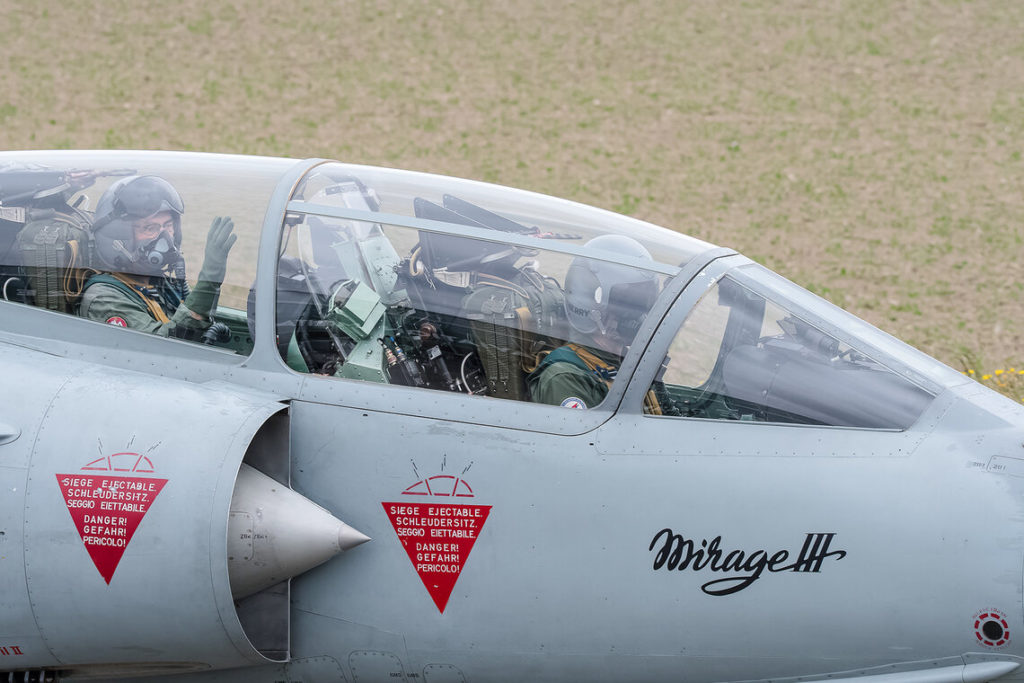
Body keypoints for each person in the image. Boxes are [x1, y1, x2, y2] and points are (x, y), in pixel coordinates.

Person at [78, 175, 236, 340]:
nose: (165, 238)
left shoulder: (157, 282)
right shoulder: (104, 300)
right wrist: (210, 278)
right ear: (120, 240)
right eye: (150, 228)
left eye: (168, 225)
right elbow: (164, 348)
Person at [527, 235, 659, 409]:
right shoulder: (565, 378)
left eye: (643, 303)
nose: (639, 316)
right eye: (628, 305)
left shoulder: (624, 364)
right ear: (591, 307)